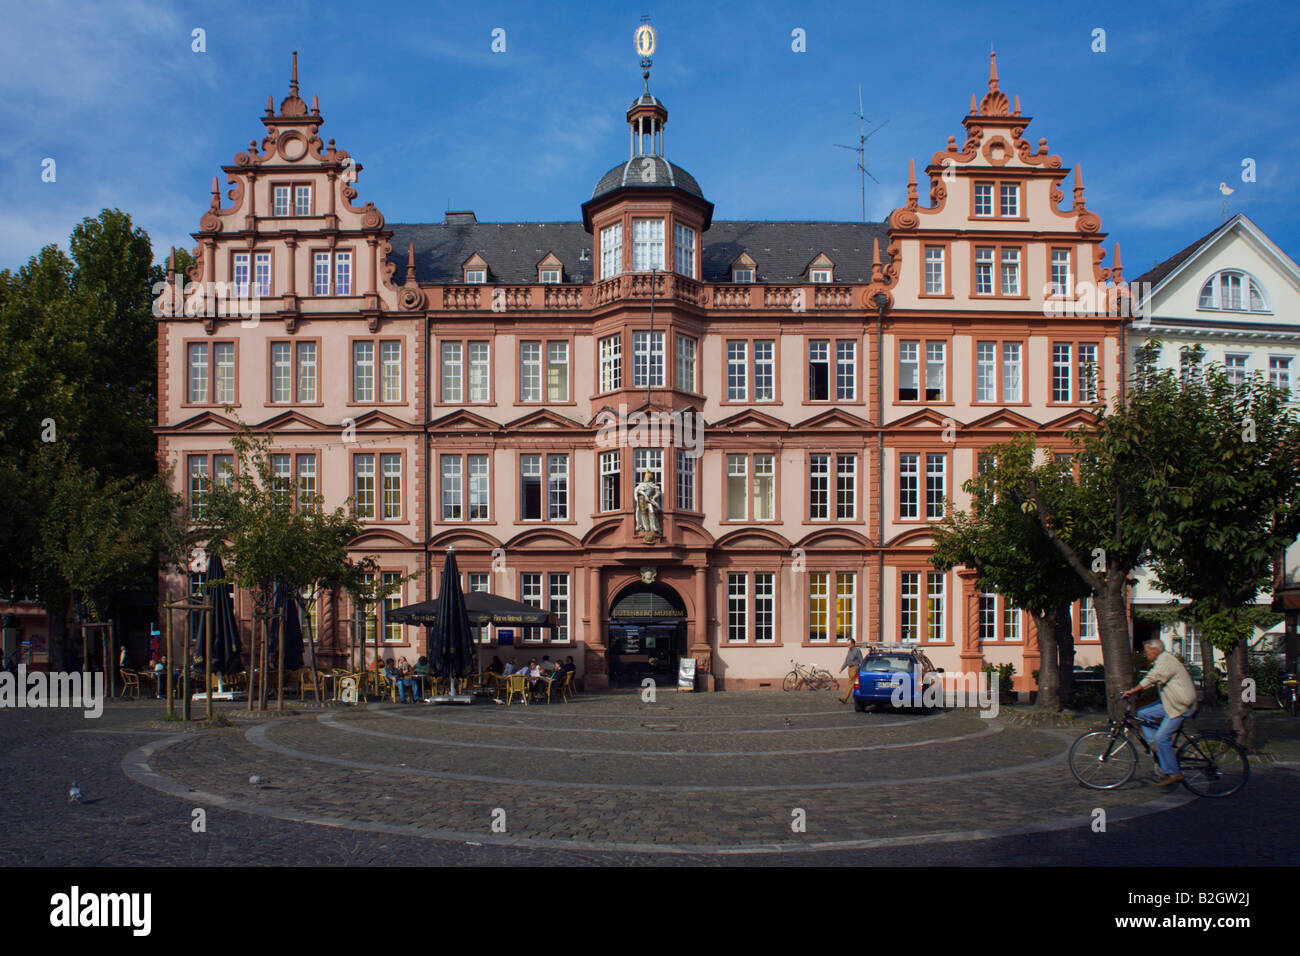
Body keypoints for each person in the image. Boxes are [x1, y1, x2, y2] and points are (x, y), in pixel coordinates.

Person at [1122, 637, 1199, 787]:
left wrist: (1133, 691)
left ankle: (1174, 773)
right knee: (1143, 713)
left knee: (1162, 737)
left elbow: (1152, 678)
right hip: (1170, 702)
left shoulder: (1166, 661)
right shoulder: (1162, 660)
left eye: (1146, 651)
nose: (1145, 654)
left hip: (1180, 705)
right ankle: (1155, 745)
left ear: (1155, 649)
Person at [838, 638, 863, 704]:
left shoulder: (857, 650)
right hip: (850, 668)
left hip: (855, 668)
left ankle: (844, 698)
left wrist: (860, 668)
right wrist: (841, 669)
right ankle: (858, 698)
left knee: (850, 683)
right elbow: (846, 661)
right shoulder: (849, 650)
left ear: (853, 644)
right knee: (854, 684)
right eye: (847, 644)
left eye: (849, 644)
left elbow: (861, 660)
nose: (848, 646)